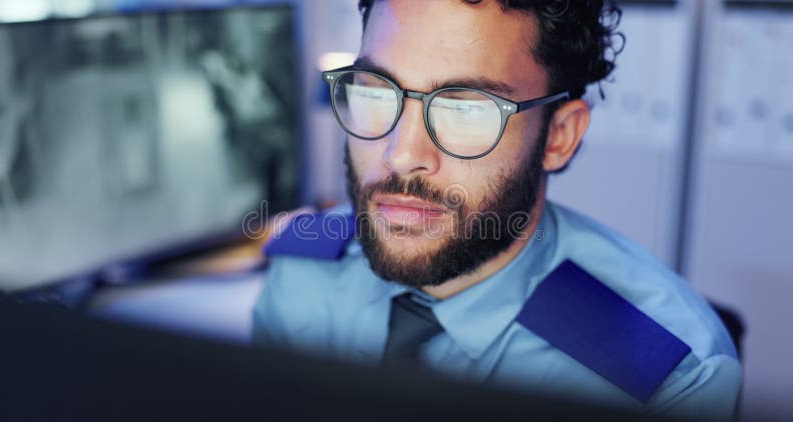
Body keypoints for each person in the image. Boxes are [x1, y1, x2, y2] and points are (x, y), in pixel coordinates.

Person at [252, 0, 741, 418]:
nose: (400, 154)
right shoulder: (303, 274)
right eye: (378, 91)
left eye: (466, 108)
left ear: (558, 137)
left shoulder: (669, 379)